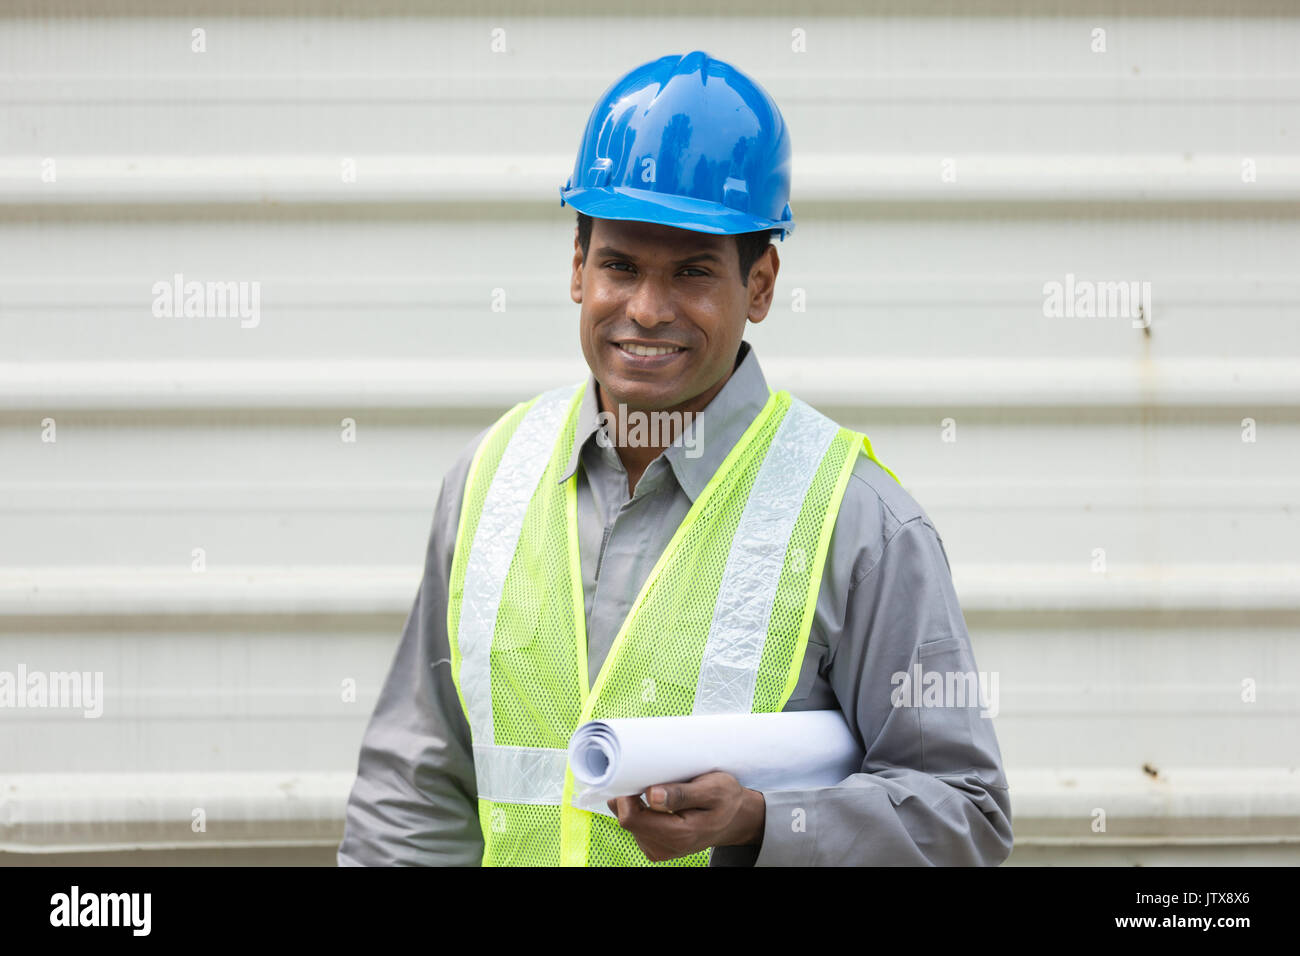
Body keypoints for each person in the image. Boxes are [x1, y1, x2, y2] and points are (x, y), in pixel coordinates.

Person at [338, 50, 1012, 866]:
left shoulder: (859, 521)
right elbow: (415, 787)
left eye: (693, 273)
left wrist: (763, 821)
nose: (647, 311)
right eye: (619, 266)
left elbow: (965, 818)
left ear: (760, 284)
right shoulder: (489, 478)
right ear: (578, 267)